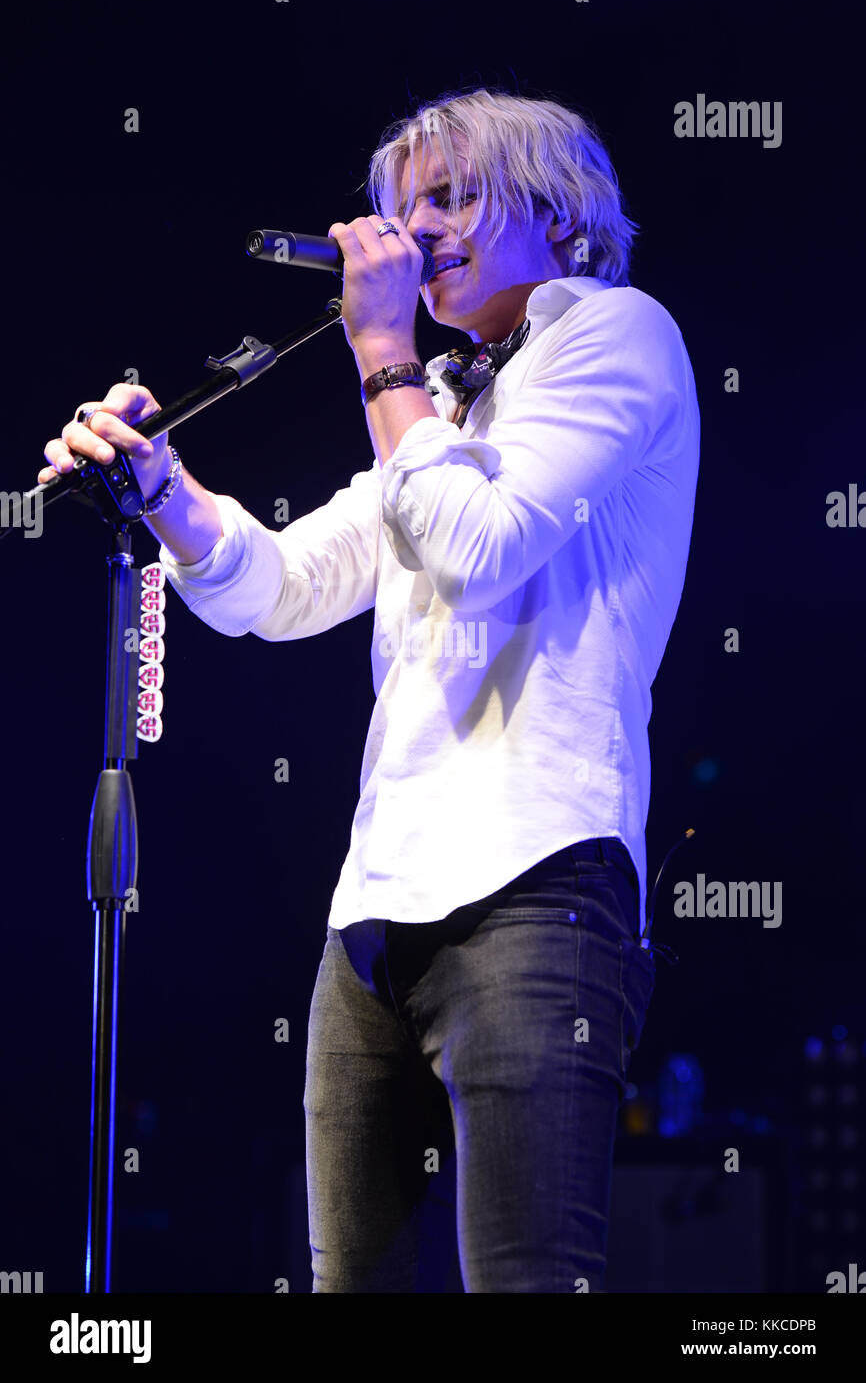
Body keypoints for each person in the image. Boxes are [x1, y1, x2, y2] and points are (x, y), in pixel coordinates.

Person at [39, 87, 700, 1292]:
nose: (415, 230)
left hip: (539, 882)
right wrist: (160, 488)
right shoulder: (442, 405)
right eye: (399, 207)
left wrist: (384, 355)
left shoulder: (616, 336)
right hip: (377, 906)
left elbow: (474, 541)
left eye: (451, 196)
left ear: (555, 215)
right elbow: (284, 584)